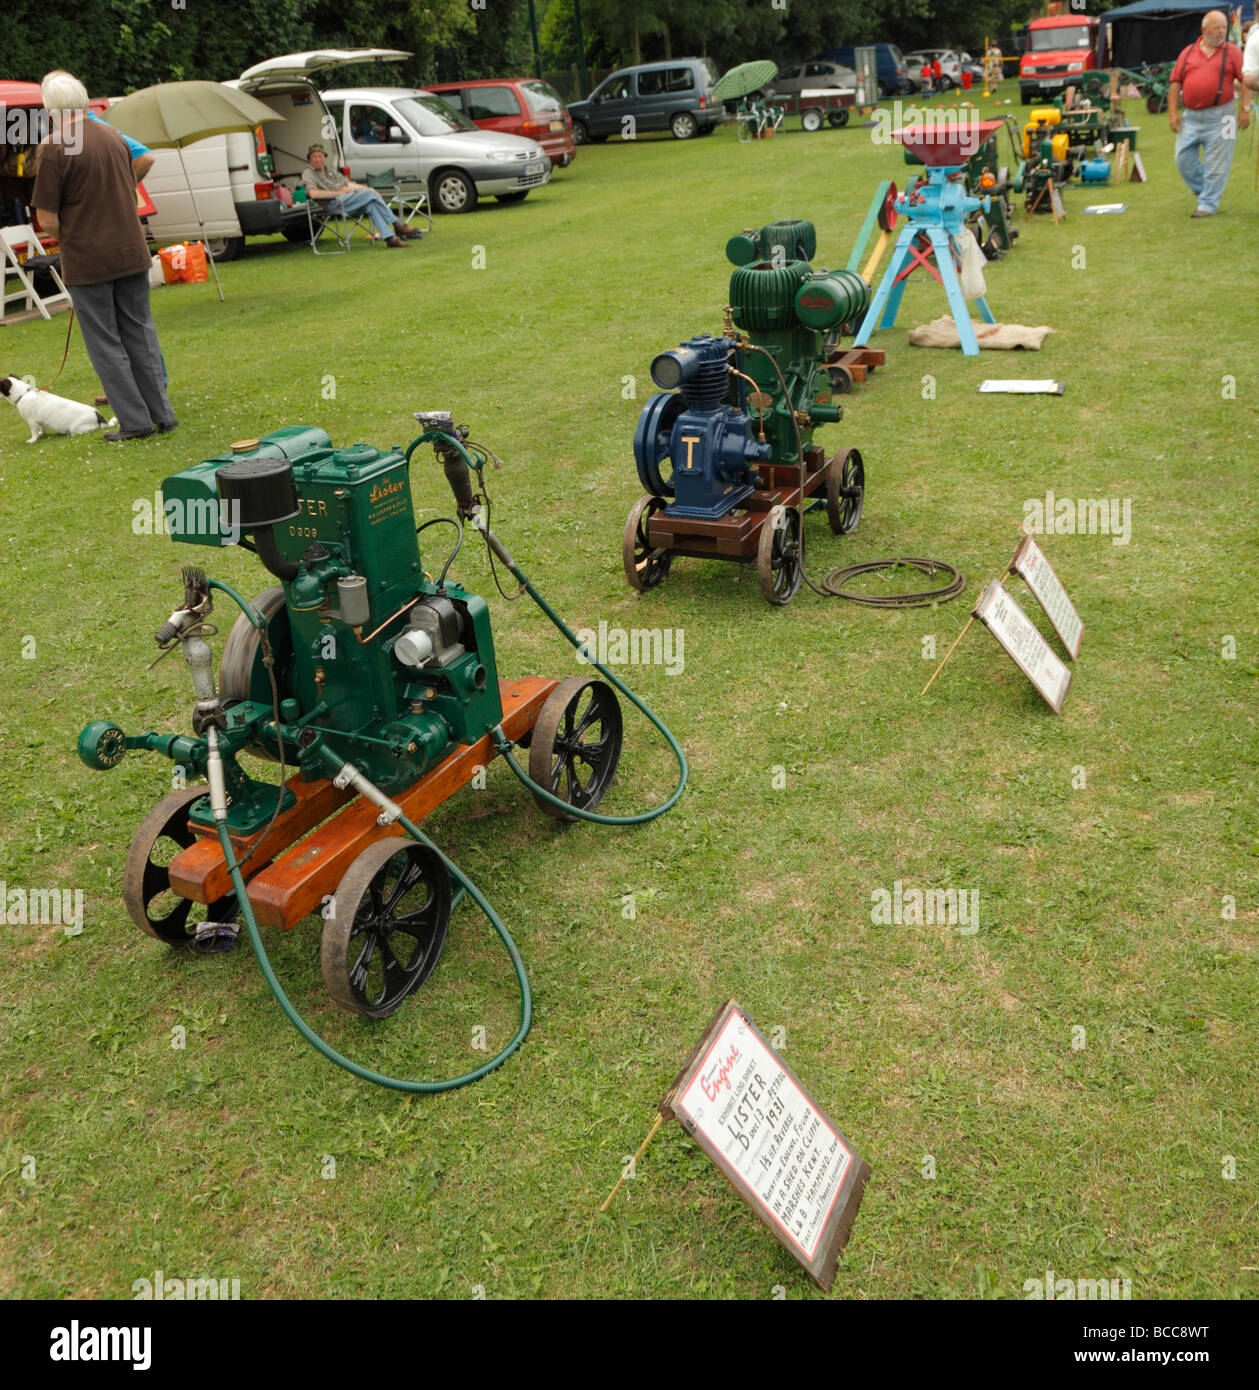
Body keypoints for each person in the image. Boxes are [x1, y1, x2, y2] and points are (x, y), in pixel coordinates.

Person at [31, 70, 175, 442]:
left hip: (90, 261)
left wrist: (77, 234)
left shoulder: (53, 146)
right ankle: (163, 414)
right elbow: (131, 178)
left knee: (105, 342)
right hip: (131, 250)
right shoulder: (114, 136)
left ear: (51, 108)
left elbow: (46, 219)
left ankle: (135, 422)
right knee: (140, 333)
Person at [1167, 10, 1250, 217]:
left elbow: (1246, 81)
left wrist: (1245, 109)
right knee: (1182, 159)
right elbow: (1175, 84)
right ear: (1204, 30)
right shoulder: (1187, 52)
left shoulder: (1233, 52)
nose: (1222, 32)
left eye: (1224, 27)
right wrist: (1172, 114)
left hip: (1225, 116)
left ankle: (1207, 205)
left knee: (1219, 163)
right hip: (1191, 116)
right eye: (1217, 27)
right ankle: (1207, 190)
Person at [300, 144, 421, 248]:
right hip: (332, 204)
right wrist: (339, 193)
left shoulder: (331, 172)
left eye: (319, 156)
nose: (317, 159)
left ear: (324, 157)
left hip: (347, 200)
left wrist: (370, 189)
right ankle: (398, 224)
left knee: (372, 203)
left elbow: (349, 184)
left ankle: (391, 239)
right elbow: (313, 193)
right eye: (314, 157)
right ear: (309, 159)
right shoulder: (308, 173)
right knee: (370, 195)